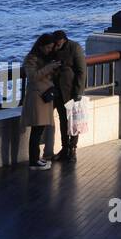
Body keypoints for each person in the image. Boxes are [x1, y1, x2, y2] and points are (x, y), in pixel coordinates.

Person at [21, 33, 60, 170]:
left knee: (40, 129)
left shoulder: (44, 58)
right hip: (37, 98)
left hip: (44, 97)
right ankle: (33, 161)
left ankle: (36, 159)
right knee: (36, 131)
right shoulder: (31, 59)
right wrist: (49, 67)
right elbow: (33, 76)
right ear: (41, 46)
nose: (50, 50)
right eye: (48, 47)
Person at [49, 29, 86, 162]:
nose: (56, 45)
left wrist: (78, 92)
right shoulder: (54, 49)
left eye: (58, 42)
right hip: (58, 91)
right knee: (63, 121)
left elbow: (82, 71)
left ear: (64, 40)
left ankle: (73, 149)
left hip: (72, 91)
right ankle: (65, 148)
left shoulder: (74, 47)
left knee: (74, 121)